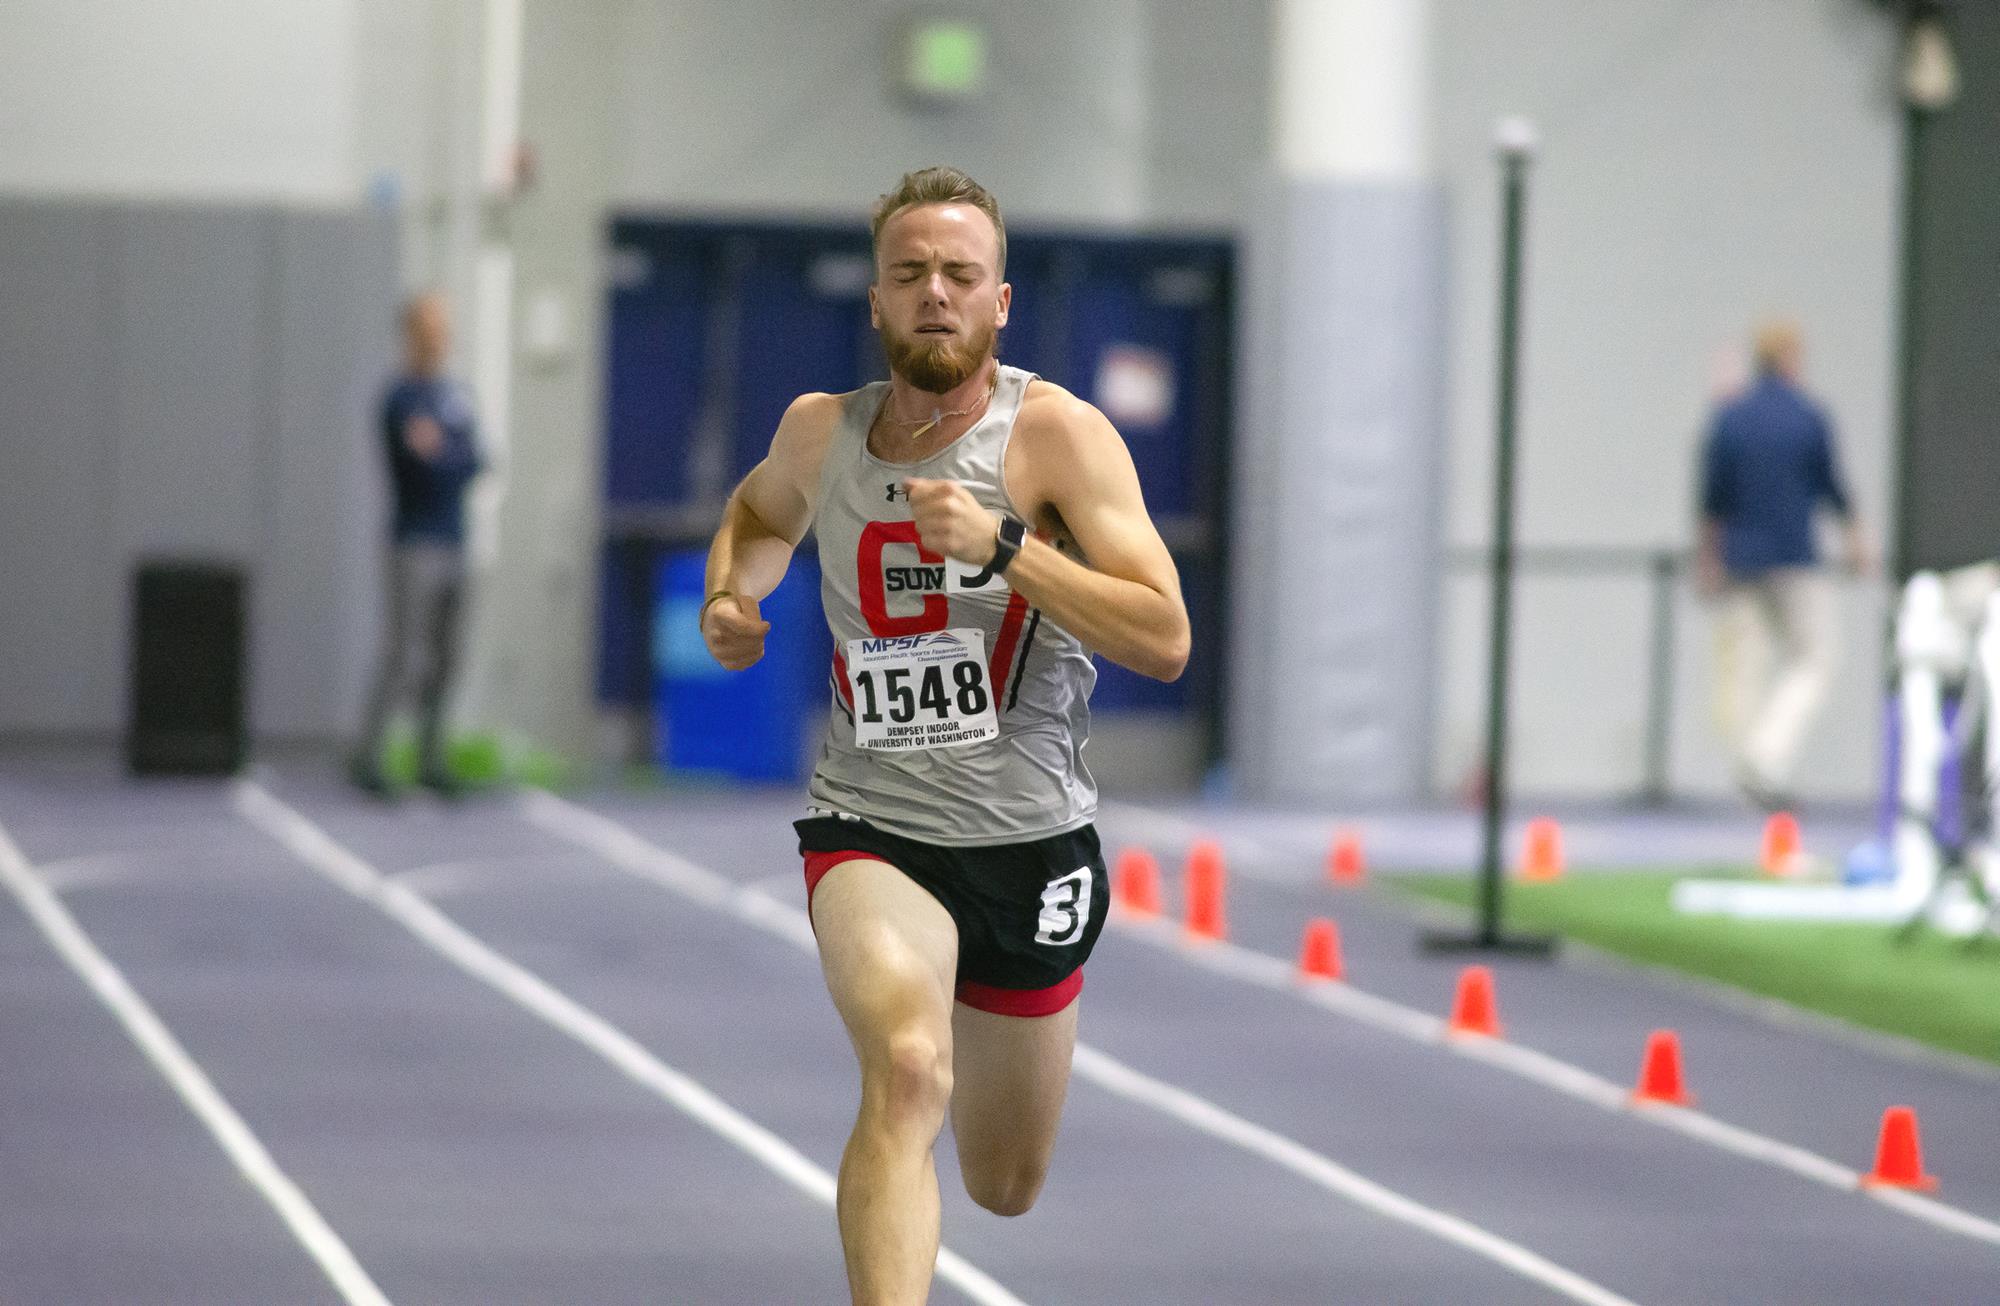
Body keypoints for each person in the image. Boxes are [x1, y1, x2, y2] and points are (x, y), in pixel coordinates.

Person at [699, 166, 1189, 1304]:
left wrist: (1006, 546)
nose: (934, 293)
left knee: (1004, 1180)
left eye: (959, 274)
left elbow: (1163, 636)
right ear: (874, 300)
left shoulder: (1057, 437)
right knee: (910, 1071)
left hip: (1029, 839)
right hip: (872, 824)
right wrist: (733, 598)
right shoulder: (821, 432)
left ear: (998, 301)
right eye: (910, 273)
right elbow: (757, 514)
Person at [1696, 319, 1868, 809]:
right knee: (1815, 658)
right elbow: (1835, 488)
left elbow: (1711, 500)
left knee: (1745, 666)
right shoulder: (1808, 415)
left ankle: (1751, 764)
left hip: (1740, 561)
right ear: (1791, 358)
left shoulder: (1731, 416)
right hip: (1793, 559)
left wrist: (1708, 559)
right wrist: (1857, 544)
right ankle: (1764, 759)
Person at [349, 292, 484, 796]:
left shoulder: (455, 396)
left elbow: (473, 462)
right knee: (405, 654)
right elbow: (422, 468)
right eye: (432, 327)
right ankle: (369, 754)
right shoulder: (401, 398)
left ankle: (431, 757)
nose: (441, 337)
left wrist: (444, 453)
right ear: (413, 333)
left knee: (448, 656)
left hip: (455, 539)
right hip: (414, 542)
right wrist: (447, 457)